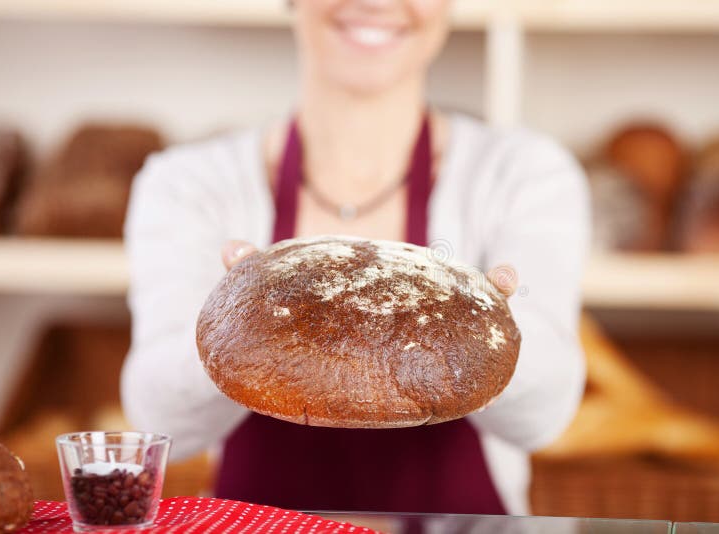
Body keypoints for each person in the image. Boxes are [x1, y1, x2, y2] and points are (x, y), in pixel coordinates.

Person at [122, 0, 589, 516]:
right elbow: (159, 420)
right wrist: (236, 324)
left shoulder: (522, 173)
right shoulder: (189, 183)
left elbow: (545, 419)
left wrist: (490, 320)